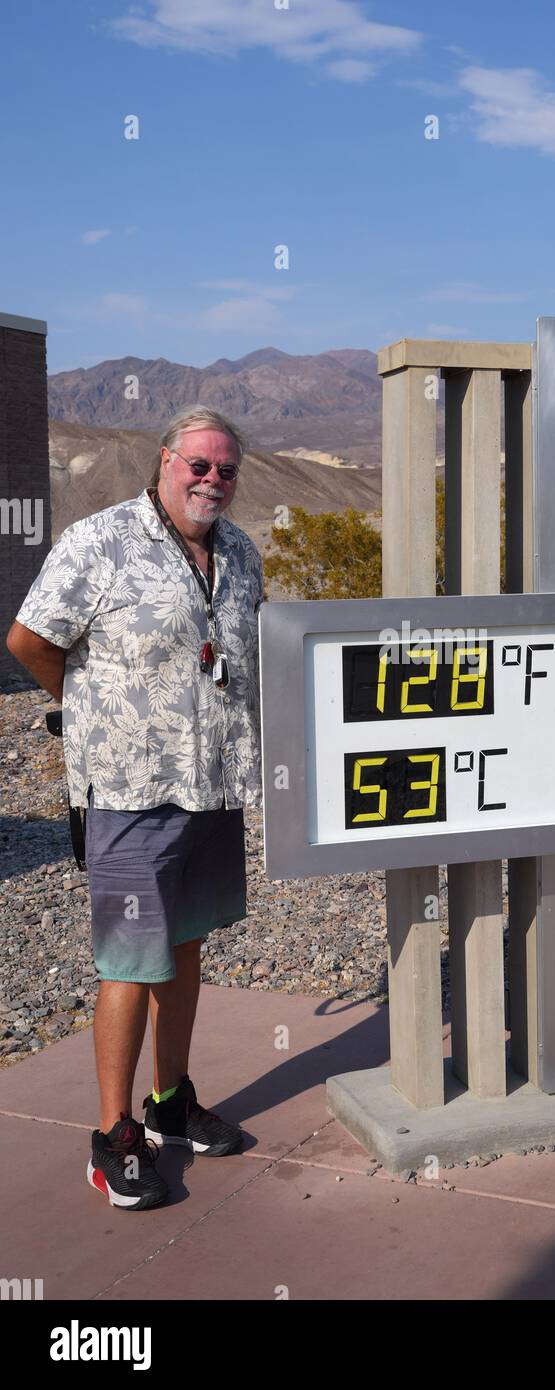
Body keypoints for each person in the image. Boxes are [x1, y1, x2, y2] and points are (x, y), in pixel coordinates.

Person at [6, 405, 264, 1210]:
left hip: (213, 785)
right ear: (165, 461)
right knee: (128, 961)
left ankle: (170, 1104)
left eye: (225, 468)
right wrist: (89, 713)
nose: (211, 479)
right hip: (129, 790)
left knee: (184, 945)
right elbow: (30, 640)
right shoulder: (100, 541)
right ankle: (112, 1136)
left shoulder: (243, 554)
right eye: (198, 464)